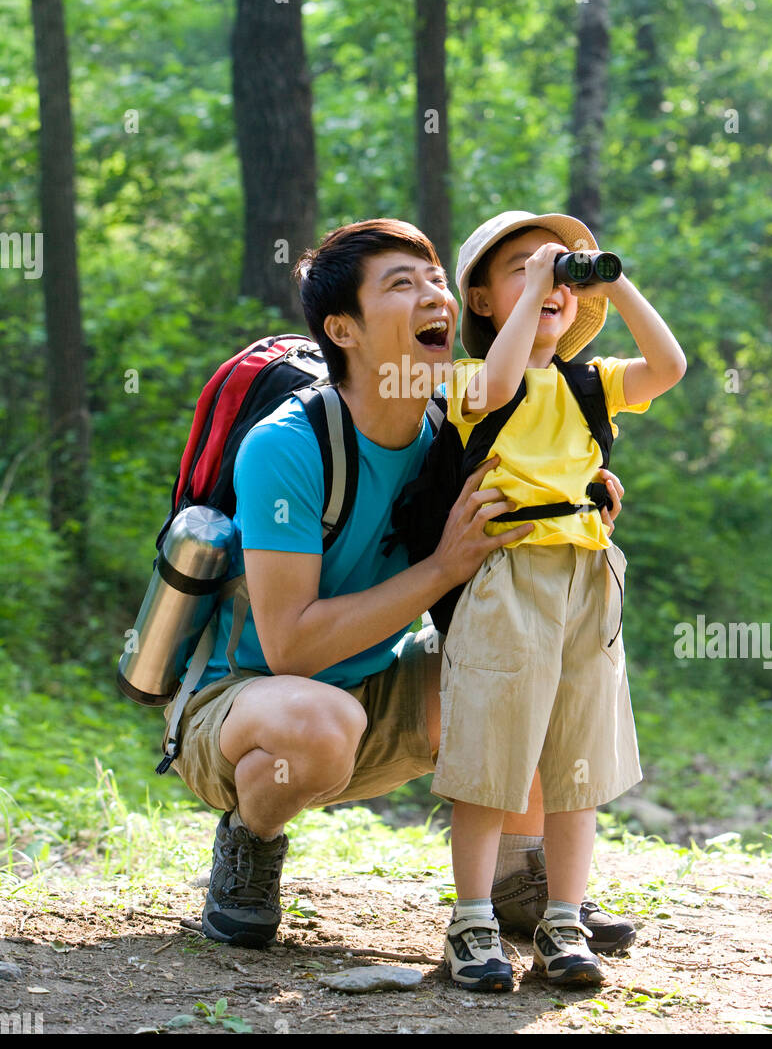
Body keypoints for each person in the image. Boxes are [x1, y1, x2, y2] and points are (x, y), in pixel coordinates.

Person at [161, 218, 628, 950]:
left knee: (533, 669)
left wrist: (578, 491)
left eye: (437, 280)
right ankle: (251, 838)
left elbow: (538, 485)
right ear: (342, 329)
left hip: (381, 685)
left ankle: (520, 875)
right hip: (248, 705)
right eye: (402, 285)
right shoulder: (289, 445)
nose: (433, 298)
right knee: (318, 722)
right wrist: (442, 566)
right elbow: (291, 650)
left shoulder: (460, 415)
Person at [433, 211, 687, 991]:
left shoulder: (593, 382)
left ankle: (564, 920)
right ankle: (472, 921)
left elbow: (669, 365)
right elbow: (499, 384)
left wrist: (612, 280)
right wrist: (539, 285)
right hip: (506, 576)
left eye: (554, 274)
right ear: (480, 299)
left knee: (580, 758)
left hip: (586, 577)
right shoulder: (462, 381)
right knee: (490, 752)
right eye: (519, 268)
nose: (545, 281)